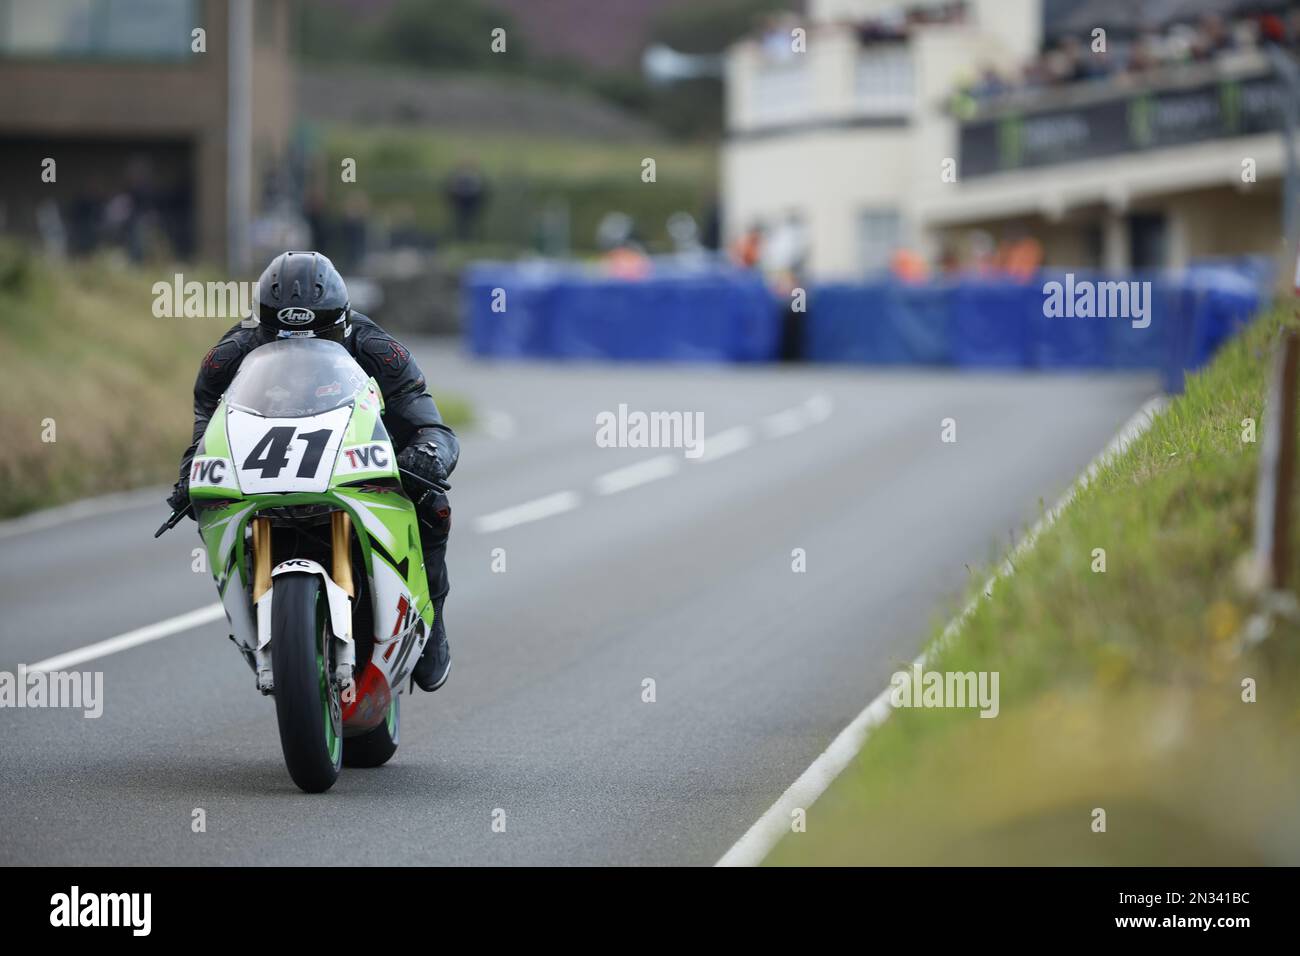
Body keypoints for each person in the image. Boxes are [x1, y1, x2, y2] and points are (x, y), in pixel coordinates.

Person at [167, 251, 458, 692]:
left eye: (315, 336)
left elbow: (426, 418)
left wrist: (428, 453)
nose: (297, 349)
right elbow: (208, 418)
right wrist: (194, 467)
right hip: (268, 455)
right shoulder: (229, 355)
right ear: (263, 325)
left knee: (433, 505)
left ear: (340, 323)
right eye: (281, 338)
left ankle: (431, 621)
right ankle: (257, 605)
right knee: (205, 504)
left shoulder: (378, 347)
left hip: (357, 442)